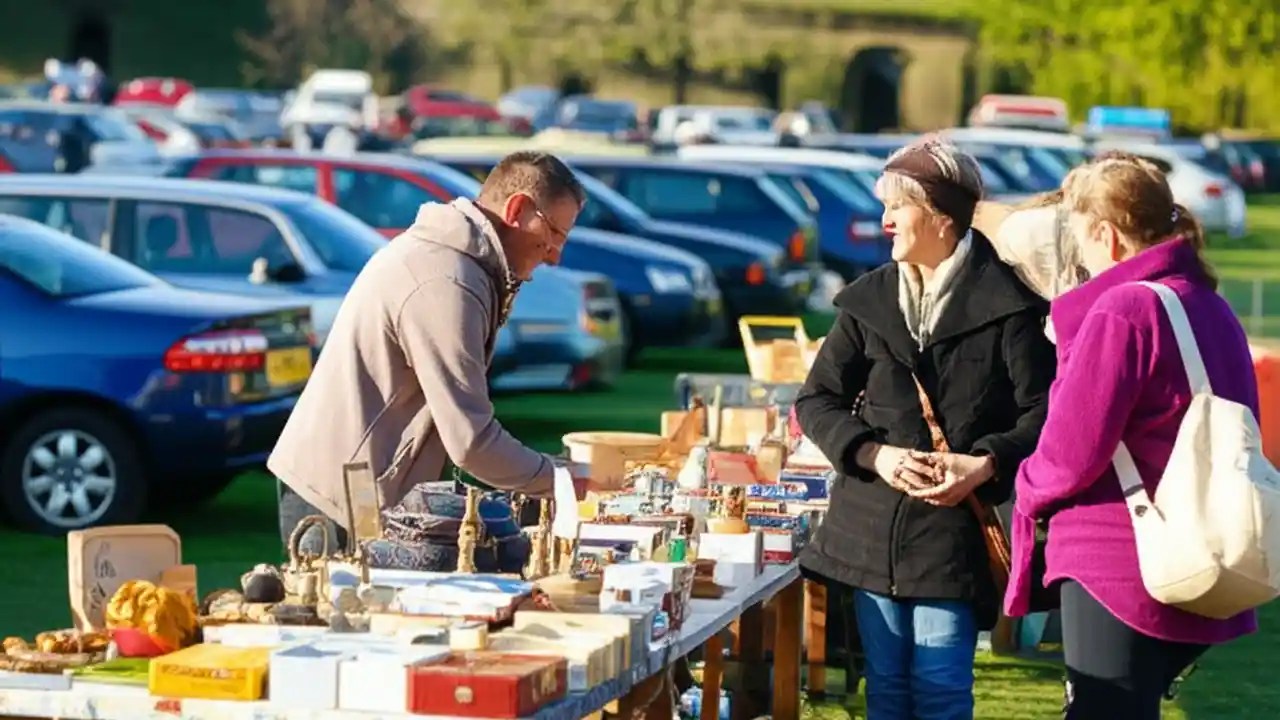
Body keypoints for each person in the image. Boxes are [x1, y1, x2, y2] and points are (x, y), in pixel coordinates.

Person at [795, 137, 1057, 720]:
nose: (884, 220)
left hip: (953, 534)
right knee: (885, 690)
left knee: (940, 691)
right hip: (869, 529)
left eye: (897, 206)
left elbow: (1045, 413)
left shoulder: (1012, 305)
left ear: (940, 215)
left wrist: (986, 462)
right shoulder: (868, 301)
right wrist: (874, 455)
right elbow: (816, 400)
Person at [1006, 157, 1260, 717]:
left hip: (1120, 556)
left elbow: (1071, 453)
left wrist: (1022, 490)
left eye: (1079, 238)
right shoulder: (1209, 304)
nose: (1080, 256)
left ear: (1105, 234)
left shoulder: (1124, 307)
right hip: (1198, 547)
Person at [268, 150, 594, 553]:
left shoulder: (460, 262)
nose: (555, 254)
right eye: (555, 234)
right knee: (351, 612)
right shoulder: (447, 280)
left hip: (357, 485)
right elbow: (472, 442)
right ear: (518, 209)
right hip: (342, 499)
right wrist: (567, 480)